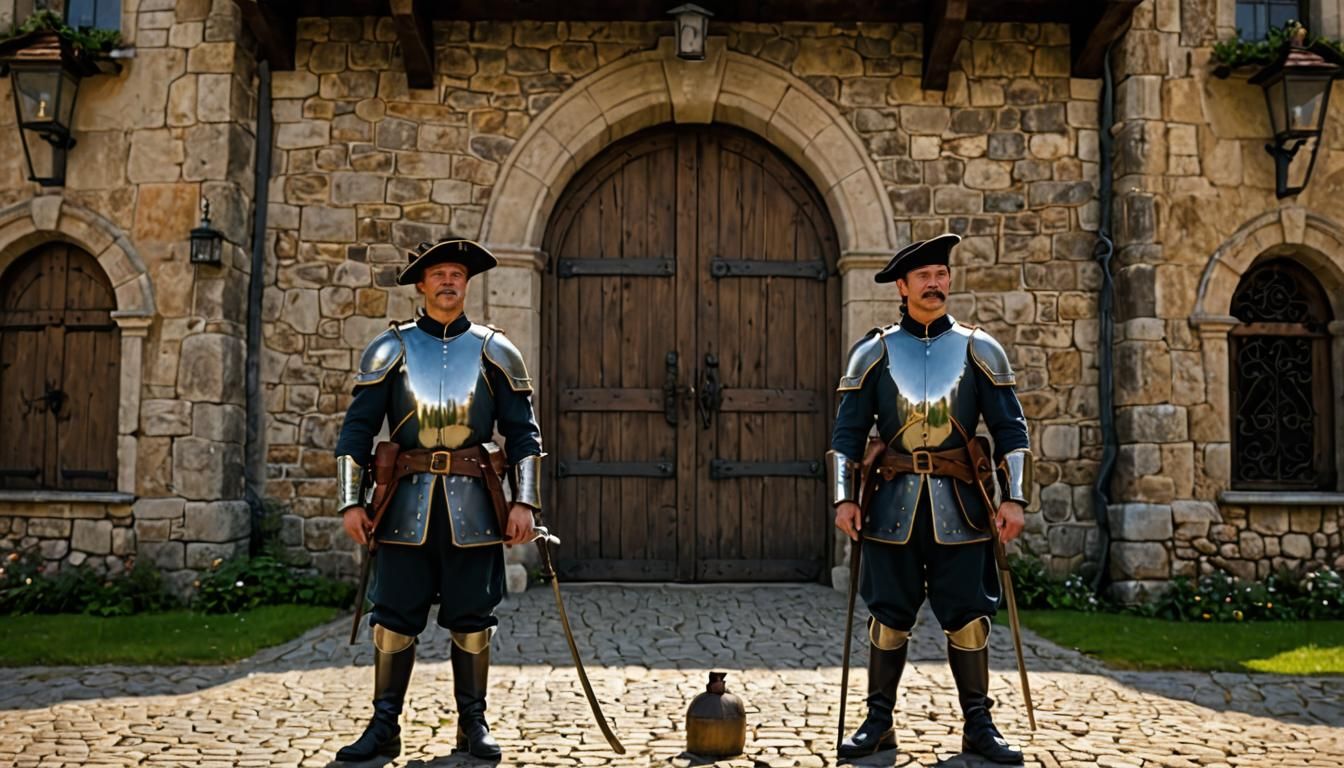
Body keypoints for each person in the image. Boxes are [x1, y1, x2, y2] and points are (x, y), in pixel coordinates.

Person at [332, 238, 543, 762]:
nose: (449, 281)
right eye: (439, 274)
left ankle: (472, 724)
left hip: (476, 504)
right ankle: (384, 726)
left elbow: (524, 435)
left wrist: (525, 505)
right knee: (394, 616)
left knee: (473, 618)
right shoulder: (392, 347)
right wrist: (350, 502)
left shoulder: (496, 349)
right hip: (404, 503)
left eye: (457, 274)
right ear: (421, 284)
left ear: (466, 283)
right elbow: (357, 430)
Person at [828, 233, 1032, 764]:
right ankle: (878, 724)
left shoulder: (978, 347)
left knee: (968, 617)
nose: (936, 283)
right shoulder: (874, 351)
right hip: (890, 503)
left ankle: (978, 726)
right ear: (902, 285)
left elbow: (1011, 430)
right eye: (924, 276)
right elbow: (847, 434)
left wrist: (1014, 500)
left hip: (962, 504)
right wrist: (844, 500)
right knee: (888, 616)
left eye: (941, 274)